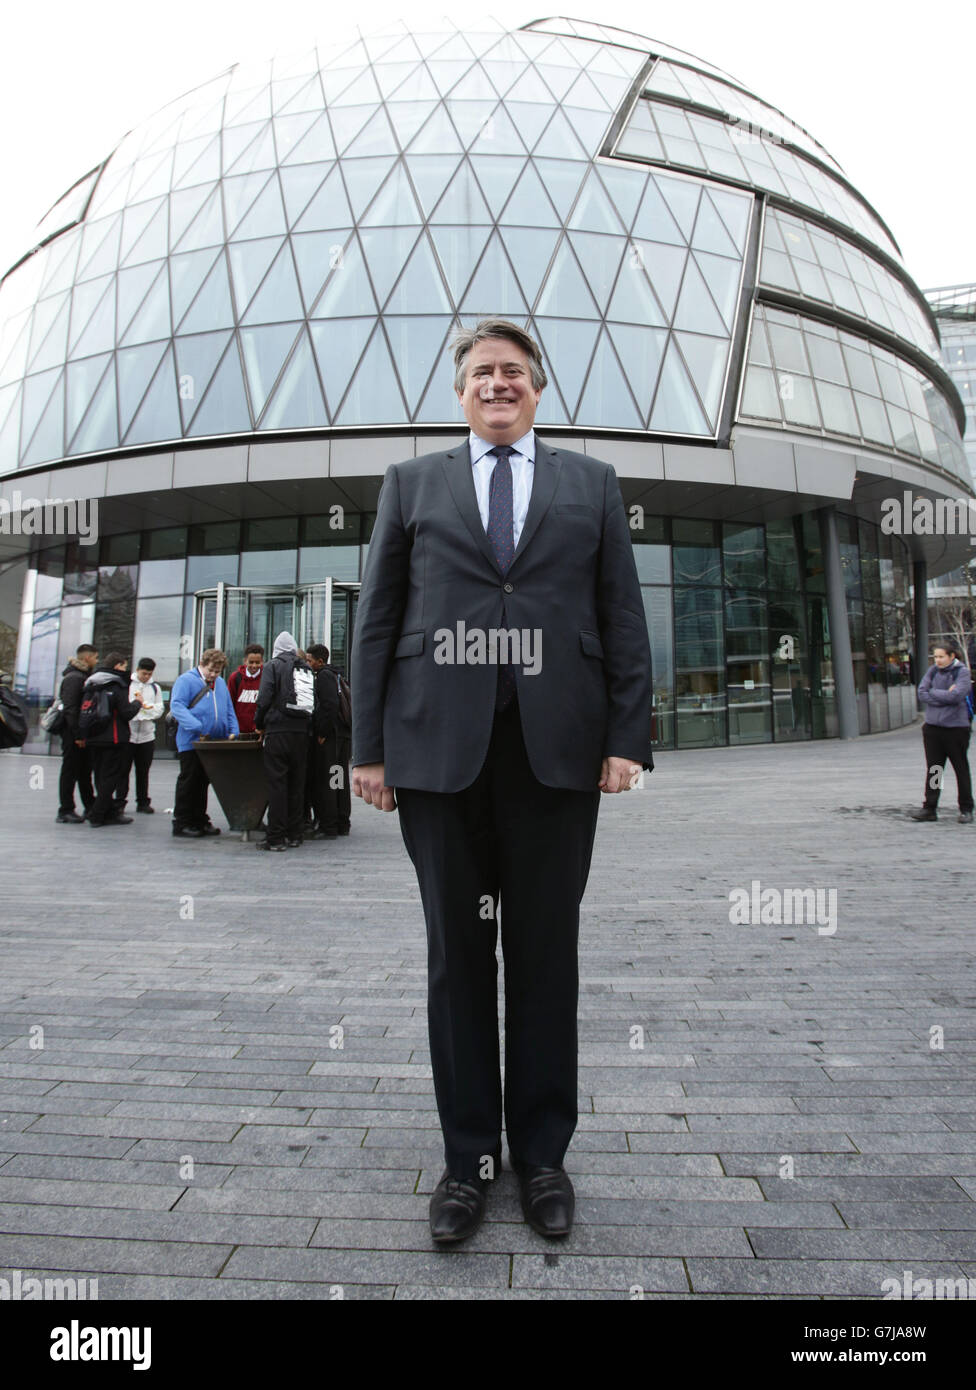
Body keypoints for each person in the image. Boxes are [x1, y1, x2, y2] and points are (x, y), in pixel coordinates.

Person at [351, 318, 652, 1244]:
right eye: (481, 373)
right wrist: (366, 749)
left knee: (544, 956)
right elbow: (377, 617)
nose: (496, 385)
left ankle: (544, 1158)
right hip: (438, 757)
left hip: (555, 756)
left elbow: (622, 616)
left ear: (537, 388)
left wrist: (627, 738)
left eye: (512, 373)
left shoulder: (592, 485)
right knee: (457, 964)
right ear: (459, 391)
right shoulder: (410, 485)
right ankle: (468, 1163)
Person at [169, 649, 239, 838]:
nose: (214, 675)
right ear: (203, 664)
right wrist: (197, 726)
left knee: (203, 782)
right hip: (192, 742)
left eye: (217, 671)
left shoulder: (221, 683)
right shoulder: (186, 680)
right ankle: (182, 821)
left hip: (213, 742)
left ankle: (199, 819)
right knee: (189, 781)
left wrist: (234, 730)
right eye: (211, 670)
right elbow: (177, 706)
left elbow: (228, 708)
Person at [255, 632, 314, 851]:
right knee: (297, 785)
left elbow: (264, 698)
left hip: (278, 731)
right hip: (301, 733)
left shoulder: (272, 666)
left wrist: (259, 722)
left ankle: (276, 837)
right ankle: (295, 834)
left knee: (277, 784)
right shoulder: (305, 668)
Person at [911, 641, 974, 823]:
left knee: (960, 768)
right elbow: (922, 693)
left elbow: (957, 695)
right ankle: (930, 807)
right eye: (935, 657)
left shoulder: (961, 672)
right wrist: (943, 694)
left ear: (951, 656)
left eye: (941, 656)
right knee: (935, 769)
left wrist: (934, 694)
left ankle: (966, 808)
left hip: (956, 729)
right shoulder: (932, 671)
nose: (937, 660)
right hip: (933, 729)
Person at [82, 653, 143, 826]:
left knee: (100, 776)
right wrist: (138, 703)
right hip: (114, 737)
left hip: (93, 735)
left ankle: (107, 812)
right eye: (124, 667)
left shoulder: (91, 682)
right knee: (111, 778)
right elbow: (126, 712)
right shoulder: (117, 684)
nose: (125, 670)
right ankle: (98, 814)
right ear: (117, 666)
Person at [305, 643, 344, 839]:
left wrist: (322, 732)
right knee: (337, 778)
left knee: (328, 780)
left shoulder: (323, 677)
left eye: (309, 660)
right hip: (338, 736)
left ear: (320, 661)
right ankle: (341, 821)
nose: (307, 663)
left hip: (329, 737)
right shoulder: (334, 675)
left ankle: (328, 825)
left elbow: (329, 705)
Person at [56, 643, 98, 823]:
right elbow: (71, 709)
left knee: (83, 771)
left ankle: (90, 806)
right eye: (95, 657)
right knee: (70, 771)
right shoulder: (75, 678)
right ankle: (65, 810)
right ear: (87, 658)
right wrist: (78, 735)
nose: (96, 661)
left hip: (79, 732)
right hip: (72, 733)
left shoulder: (82, 676)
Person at [127, 657, 164, 812]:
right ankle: (119, 801)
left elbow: (159, 709)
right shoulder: (128, 685)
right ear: (137, 670)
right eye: (144, 673)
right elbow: (126, 708)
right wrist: (141, 710)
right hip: (129, 734)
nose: (146, 677)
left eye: (149, 674)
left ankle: (143, 802)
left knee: (143, 771)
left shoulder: (155, 688)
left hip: (147, 735)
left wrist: (146, 710)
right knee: (123, 770)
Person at [227, 644, 264, 734]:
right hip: (238, 731)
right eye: (251, 662)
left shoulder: (266, 678)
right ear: (245, 661)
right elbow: (229, 704)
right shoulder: (235, 678)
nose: (254, 666)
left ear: (262, 661)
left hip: (259, 732)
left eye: (257, 662)